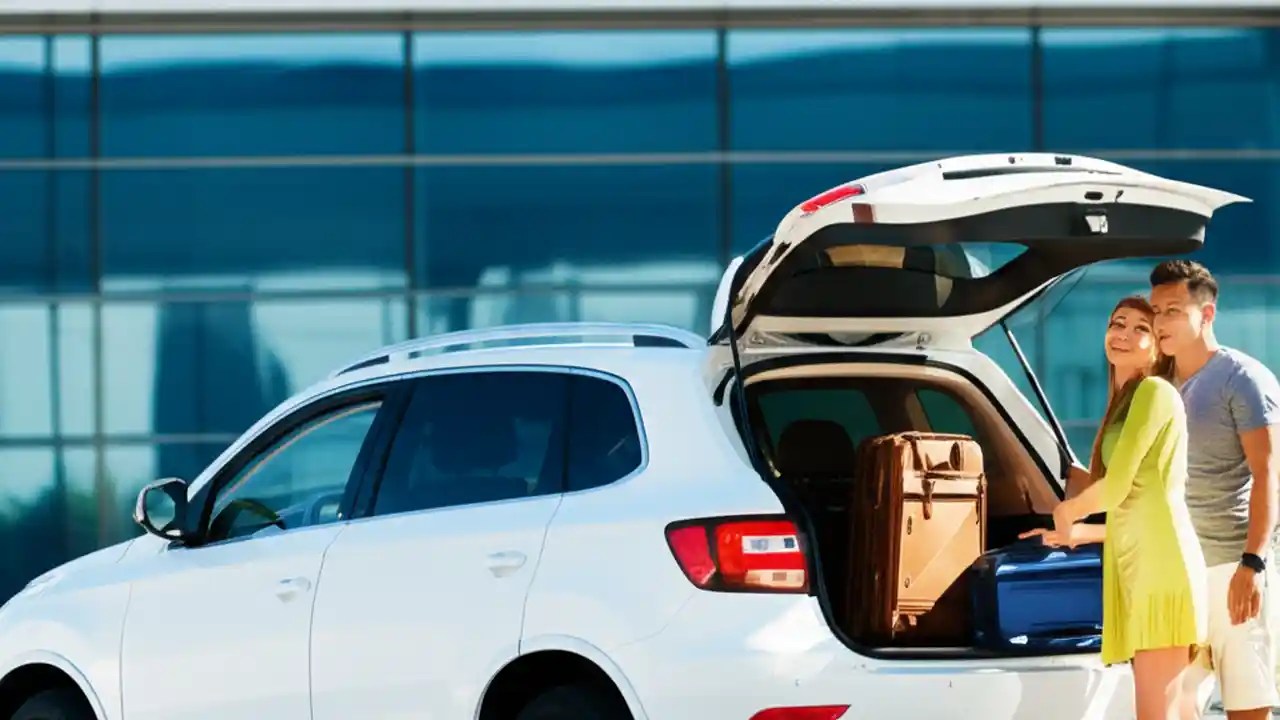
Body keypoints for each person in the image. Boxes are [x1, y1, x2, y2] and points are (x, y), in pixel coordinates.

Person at [1026, 294, 1208, 720]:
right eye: (1117, 323)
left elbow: (1116, 490)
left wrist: (1066, 511)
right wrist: (1074, 534)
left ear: (1158, 344)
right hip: (1150, 569)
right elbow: (1137, 510)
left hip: (1161, 579)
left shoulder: (1153, 392)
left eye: (1140, 328)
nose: (1123, 334)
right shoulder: (1126, 402)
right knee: (1177, 711)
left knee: (1157, 713)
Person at [1148, 260, 1280, 720]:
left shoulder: (1242, 379)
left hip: (1232, 566)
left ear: (1207, 315)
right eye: (1156, 311)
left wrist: (1253, 563)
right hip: (1178, 570)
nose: (1161, 322)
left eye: (1173, 311)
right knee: (1178, 702)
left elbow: (1269, 474)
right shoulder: (1160, 385)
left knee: (1246, 704)